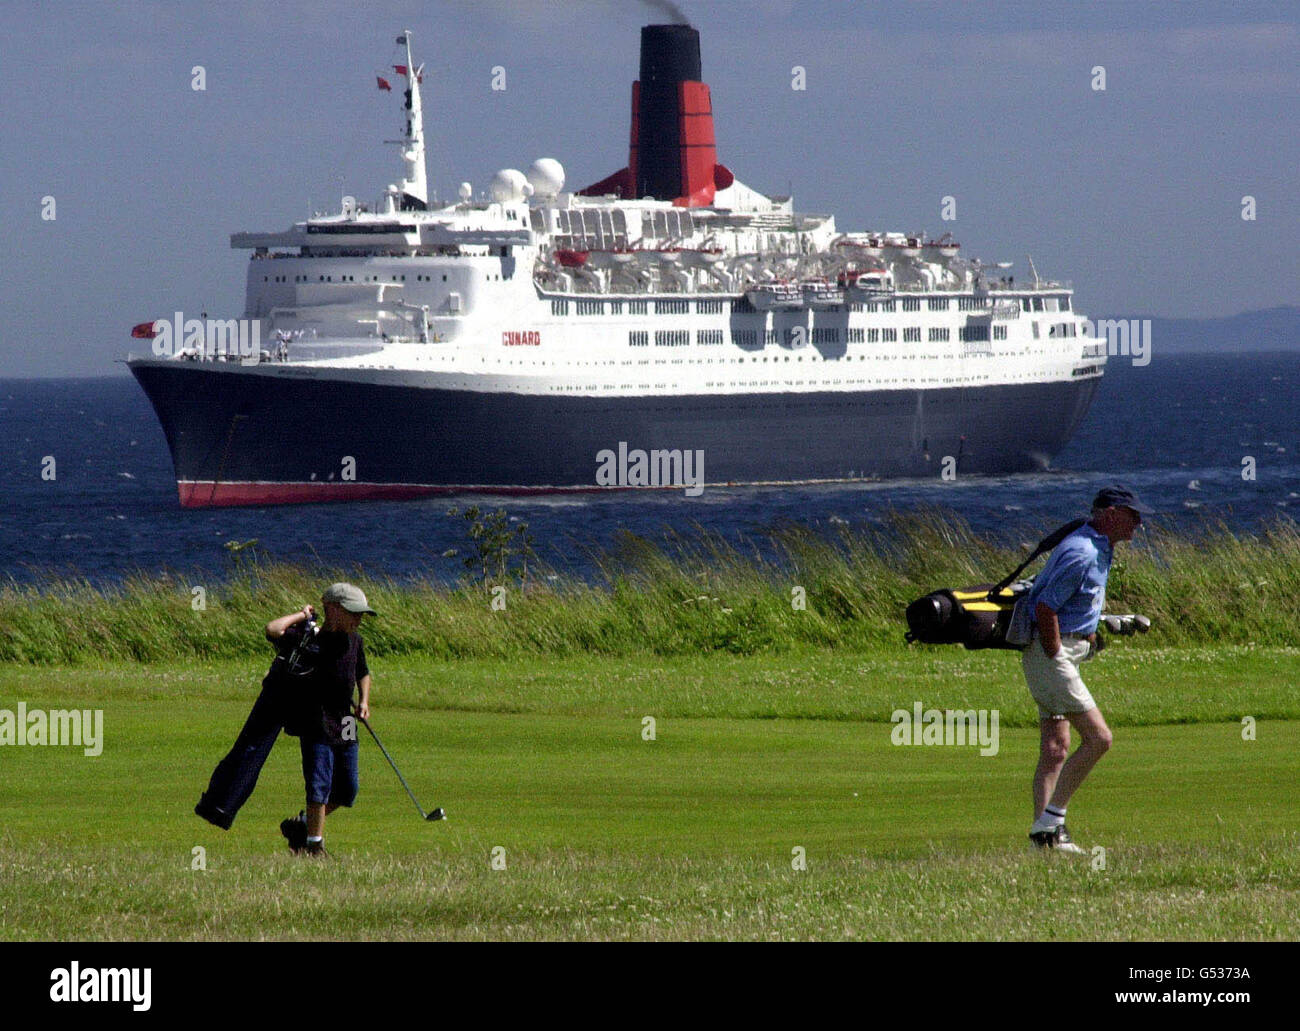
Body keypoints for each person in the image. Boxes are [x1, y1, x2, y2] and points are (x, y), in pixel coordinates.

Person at [1022, 485, 1153, 853]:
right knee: (1100, 739)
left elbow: (1071, 603)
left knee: (1055, 748)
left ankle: (1046, 843)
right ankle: (1049, 824)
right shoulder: (1082, 551)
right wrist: (1055, 656)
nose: (1139, 523)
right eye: (1133, 515)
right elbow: (1045, 608)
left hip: (1062, 653)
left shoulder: (1099, 545)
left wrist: (1096, 630)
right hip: (1053, 656)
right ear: (1111, 514)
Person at [275, 583, 375, 857]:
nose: (358, 619)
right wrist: (301, 616)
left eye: (361, 615)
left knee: (347, 790)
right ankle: (314, 846)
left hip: (345, 720)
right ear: (332, 609)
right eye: (353, 613)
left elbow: (362, 673)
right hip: (315, 719)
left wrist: (364, 701)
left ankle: (303, 825)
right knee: (320, 784)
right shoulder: (311, 638)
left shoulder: (356, 642)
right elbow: (273, 630)